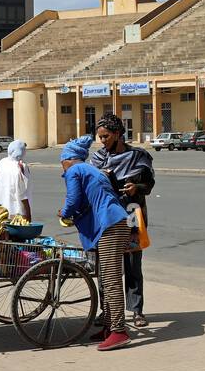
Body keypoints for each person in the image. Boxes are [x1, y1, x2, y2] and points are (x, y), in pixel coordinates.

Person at [59, 134, 131, 351]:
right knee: (105, 279)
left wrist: (64, 213)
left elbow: (72, 201)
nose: (61, 168)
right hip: (115, 223)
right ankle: (109, 327)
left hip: (110, 225)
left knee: (110, 279)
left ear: (68, 159)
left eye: (61, 162)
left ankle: (119, 331)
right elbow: (87, 201)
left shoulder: (74, 170)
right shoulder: (92, 170)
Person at [87, 114, 155, 327]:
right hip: (104, 218)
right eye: (100, 137)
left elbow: (150, 186)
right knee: (105, 266)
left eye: (106, 136)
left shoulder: (138, 157)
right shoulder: (97, 158)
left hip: (131, 215)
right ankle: (106, 310)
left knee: (133, 264)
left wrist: (137, 188)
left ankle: (136, 310)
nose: (103, 141)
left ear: (118, 134)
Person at [0, 139, 32, 219]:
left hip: (0, 211)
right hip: (17, 213)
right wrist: (28, 214)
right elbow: (23, 193)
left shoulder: (1, 163)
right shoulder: (20, 166)